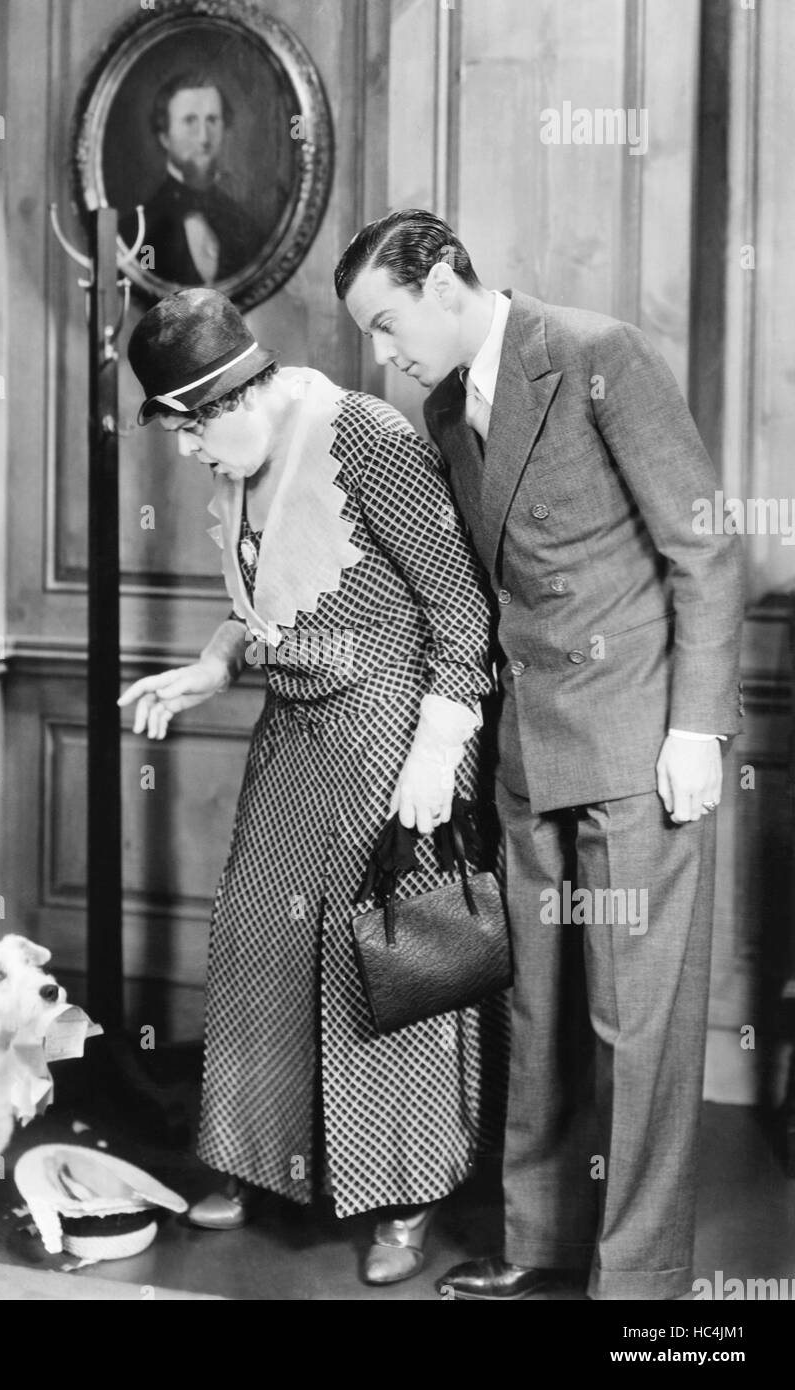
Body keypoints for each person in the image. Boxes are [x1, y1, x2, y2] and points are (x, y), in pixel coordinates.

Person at [335, 209, 744, 1302]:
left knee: (638, 1026)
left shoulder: (591, 354)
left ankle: (640, 1285)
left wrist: (696, 726)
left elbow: (702, 545)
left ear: (441, 277)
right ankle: (541, 1239)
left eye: (386, 324)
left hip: (637, 749)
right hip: (530, 755)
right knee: (540, 1014)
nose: (384, 353)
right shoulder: (437, 410)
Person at [119, 287, 508, 1286]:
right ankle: (262, 1162)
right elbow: (272, 611)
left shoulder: (360, 434)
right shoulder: (241, 466)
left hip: (391, 728)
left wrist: (438, 747)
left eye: (194, 434)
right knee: (261, 942)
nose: (190, 457)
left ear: (233, 402)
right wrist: (213, 665)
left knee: (384, 953)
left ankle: (405, 1193)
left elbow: (459, 611)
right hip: (293, 728)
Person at [119, 72, 261, 286]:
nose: (204, 137)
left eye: (212, 120)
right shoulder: (132, 234)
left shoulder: (248, 230)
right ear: (164, 136)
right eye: (189, 121)